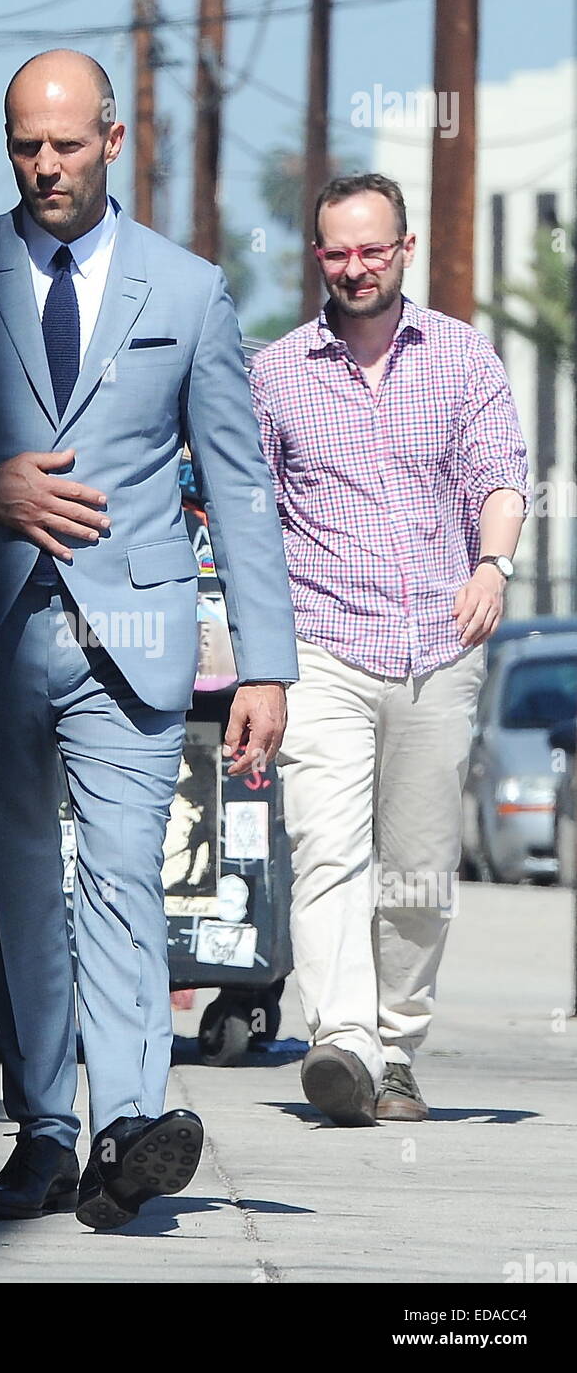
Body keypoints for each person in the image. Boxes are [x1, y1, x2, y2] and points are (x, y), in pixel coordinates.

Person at [0, 49, 297, 1229]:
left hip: (132, 633)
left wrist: (265, 661)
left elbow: (237, 485)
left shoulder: (189, 291)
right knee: (22, 886)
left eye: (66, 144)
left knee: (125, 876)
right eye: (25, 145)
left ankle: (129, 1123)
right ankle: (42, 1131)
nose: (44, 165)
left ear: (114, 140)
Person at [250, 173, 528, 1126]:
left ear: (405, 249)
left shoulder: (461, 358)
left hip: (437, 650)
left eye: (372, 249)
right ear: (315, 256)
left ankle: (397, 1045)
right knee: (324, 848)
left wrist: (491, 564)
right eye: (336, 251)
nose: (354, 266)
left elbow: (499, 473)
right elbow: (251, 518)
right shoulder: (277, 373)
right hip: (323, 647)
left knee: (414, 870)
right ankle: (342, 1043)